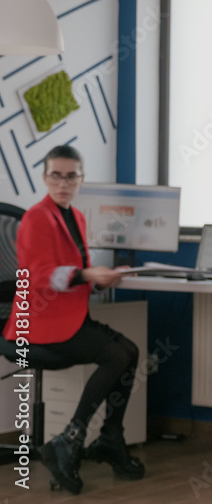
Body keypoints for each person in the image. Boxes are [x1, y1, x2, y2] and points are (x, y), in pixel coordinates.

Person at [2, 145, 145, 494]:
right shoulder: (37, 217)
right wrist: (88, 274)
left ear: (80, 180)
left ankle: (110, 438)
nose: (63, 183)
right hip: (35, 323)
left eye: (71, 176)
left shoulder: (76, 217)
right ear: (45, 177)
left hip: (67, 316)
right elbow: (39, 275)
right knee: (117, 354)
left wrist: (101, 277)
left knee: (129, 350)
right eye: (56, 175)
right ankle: (71, 439)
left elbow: (71, 274)